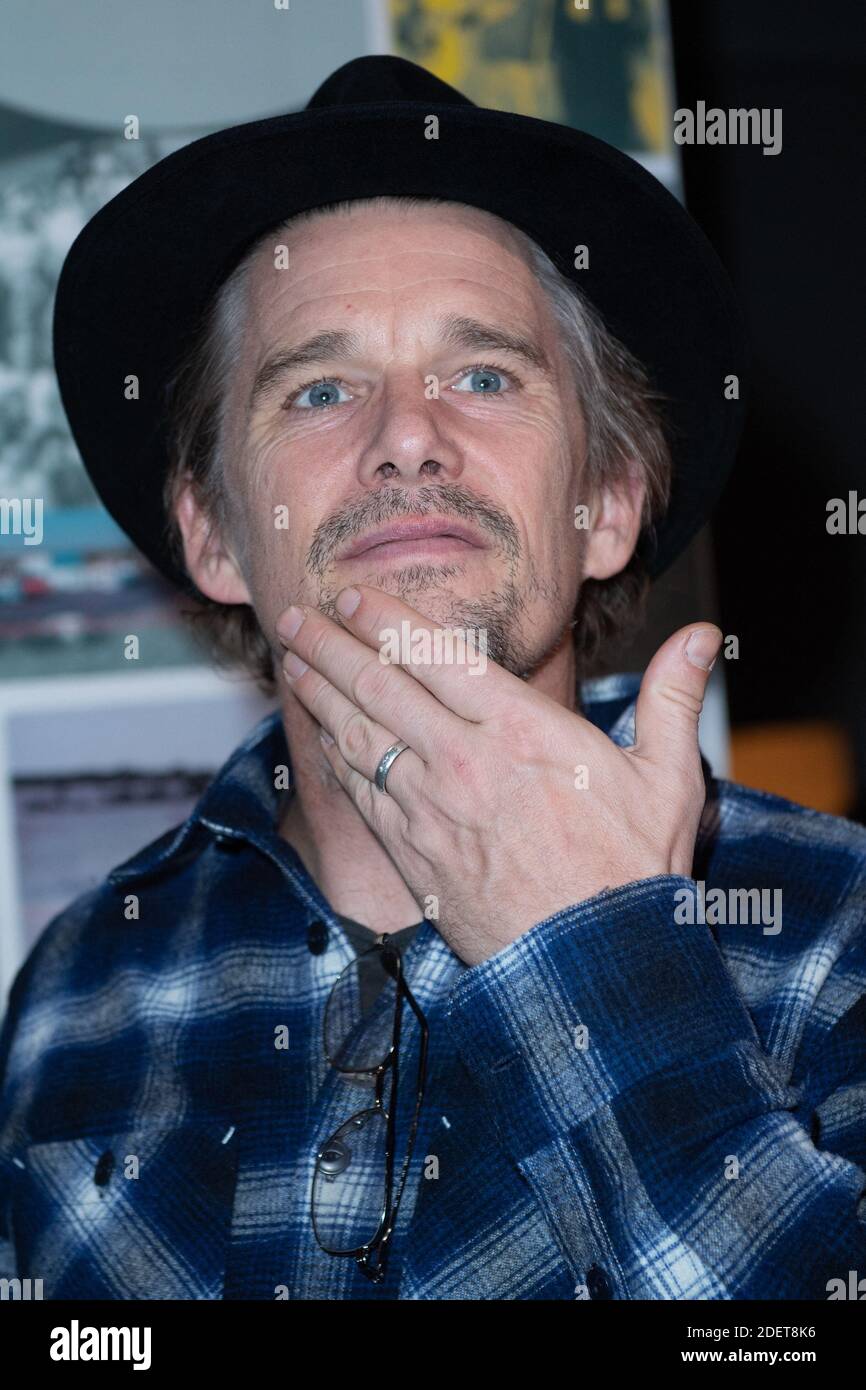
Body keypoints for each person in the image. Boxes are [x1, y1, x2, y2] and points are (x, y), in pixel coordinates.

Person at [1, 56, 864, 1301]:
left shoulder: (832, 927)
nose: (406, 434)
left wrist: (588, 956)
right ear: (212, 534)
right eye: (320, 388)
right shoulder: (80, 987)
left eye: (483, 377)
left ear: (607, 503)